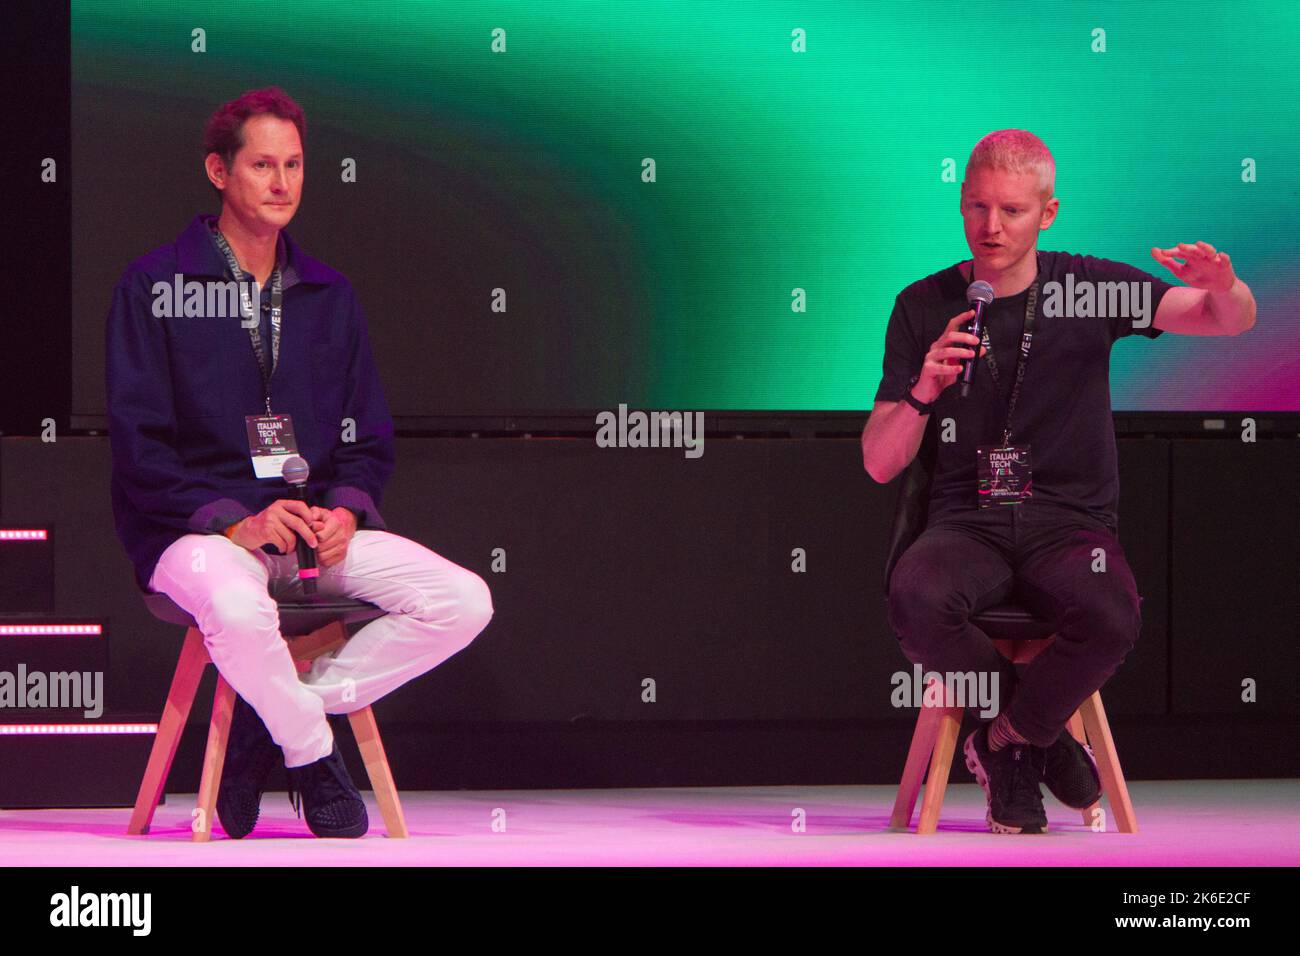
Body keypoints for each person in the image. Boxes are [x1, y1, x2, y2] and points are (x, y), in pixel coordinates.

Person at [106, 87, 494, 839]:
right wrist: (235, 523)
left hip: (310, 533)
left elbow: (366, 438)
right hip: (195, 535)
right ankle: (313, 754)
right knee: (240, 606)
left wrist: (345, 508)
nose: (282, 183)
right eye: (261, 165)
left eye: (293, 165)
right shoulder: (155, 286)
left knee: (465, 600)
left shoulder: (328, 295)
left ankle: (274, 710)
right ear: (219, 172)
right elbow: (138, 445)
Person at [862, 129, 1255, 833]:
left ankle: (1006, 744)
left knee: (1111, 614)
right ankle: (1034, 745)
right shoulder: (922, 304)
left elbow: (1224, 322)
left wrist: (1226, 288)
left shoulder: (1088, 287)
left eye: (1012, 211)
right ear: (960, 205)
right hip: (967, 522)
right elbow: (879, 461)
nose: (991, 227)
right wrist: (924, 387)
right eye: (977, 207)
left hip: (1069, 523)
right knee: (917, 598)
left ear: (1048, 213)